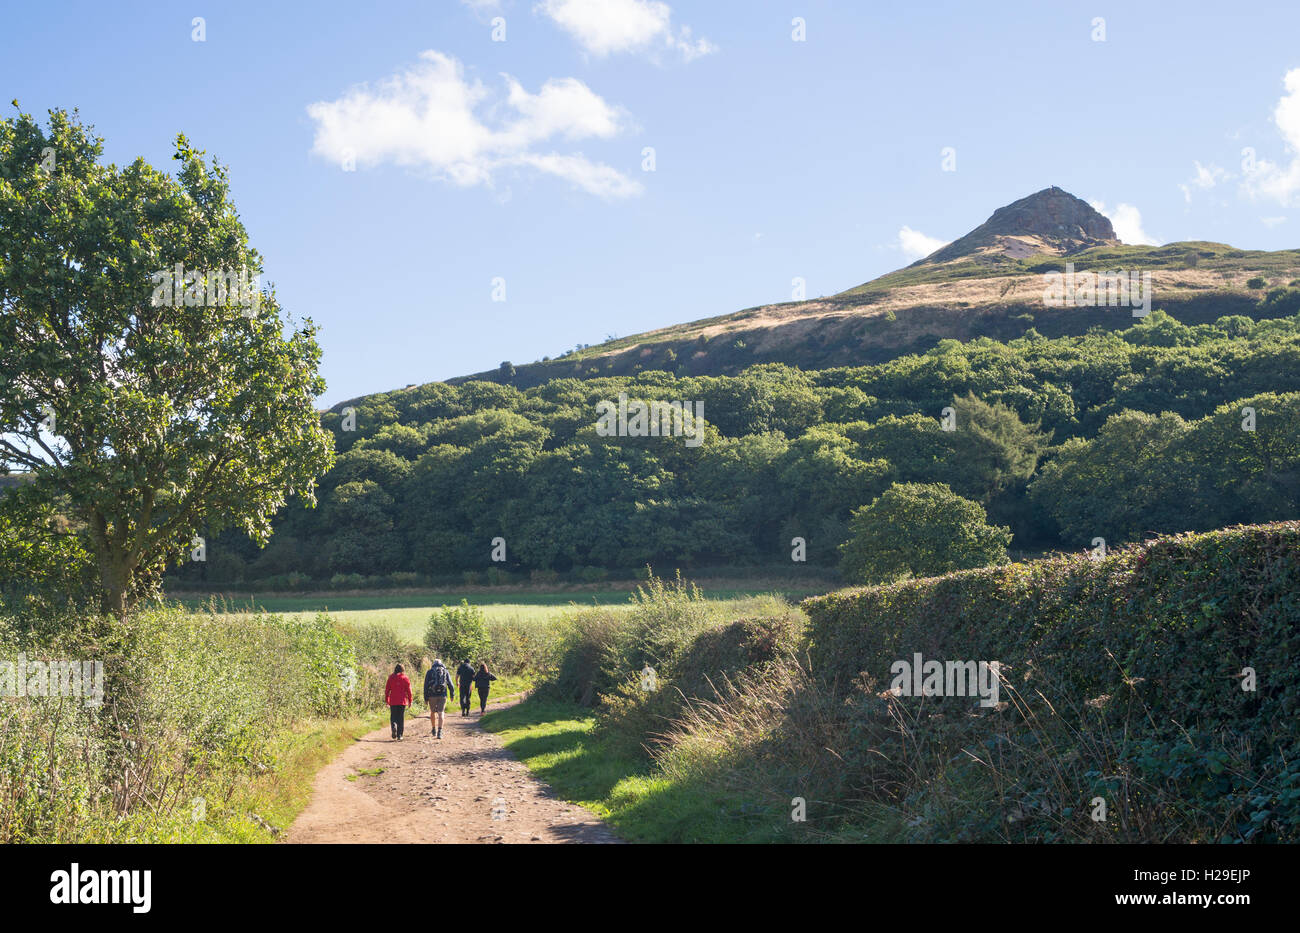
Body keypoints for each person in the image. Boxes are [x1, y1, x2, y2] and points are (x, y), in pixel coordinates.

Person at [423, 658, 455, 738]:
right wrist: (452, 695)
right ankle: (440, 732)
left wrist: (426, 698)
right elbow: (451, 684)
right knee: (441, 712)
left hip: (432, 695)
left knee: (432, 712)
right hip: (442, 695)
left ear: (433, 664)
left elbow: (426, 686)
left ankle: (433, 729)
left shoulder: (429, 672)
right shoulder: (445, 671)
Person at [384, 663, 413, 741]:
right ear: (402, 670)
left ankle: (394, 727)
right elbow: (409, 691)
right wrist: (410, 700)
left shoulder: (391, 678)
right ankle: (400, 735)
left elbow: (387, 690)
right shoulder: (405, 678)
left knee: (393, 716)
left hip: (393, 701)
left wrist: (387, 700)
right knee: (401, 717)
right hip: (402, 701)